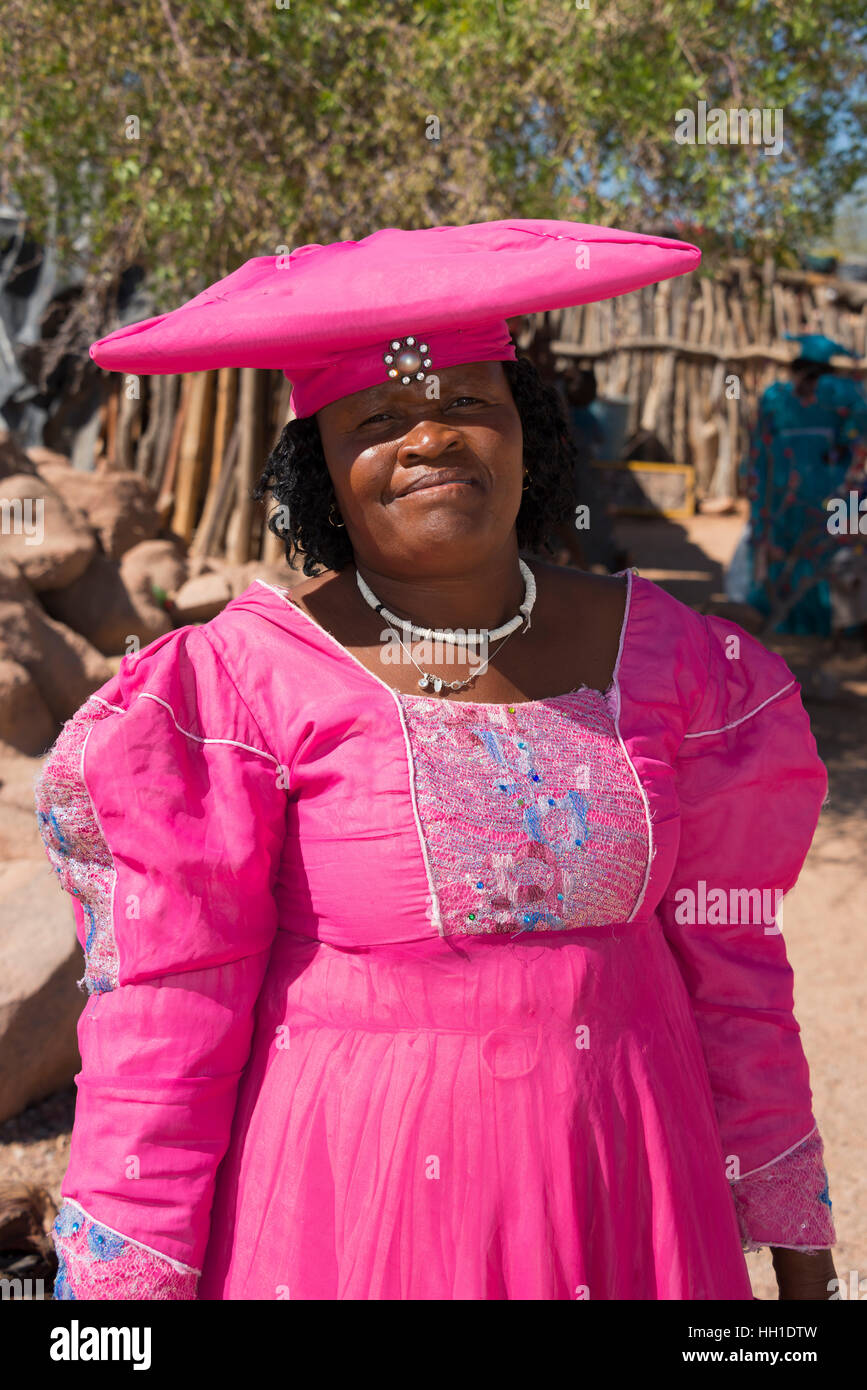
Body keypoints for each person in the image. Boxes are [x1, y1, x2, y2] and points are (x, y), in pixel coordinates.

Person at [35, 219, 836, 1300]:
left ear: (526, 431)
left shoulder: (680, 663)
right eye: (380, 418)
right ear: (321, 468)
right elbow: (165, 1021)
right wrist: (120, 1308)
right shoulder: (234, 689)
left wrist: (798, 1246)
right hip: (357, 1218)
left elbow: (736, 972)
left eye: (468, 402)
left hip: (638, 1196)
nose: (431, 439)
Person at [735, 333, 867, 634]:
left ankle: (785, 620)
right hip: (819, 493)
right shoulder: (840, 395)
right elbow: (858, 431)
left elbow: (757, 451)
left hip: (784, 491)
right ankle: (812, 622)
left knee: (793, 553)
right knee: (814, 555)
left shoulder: (776, 396)